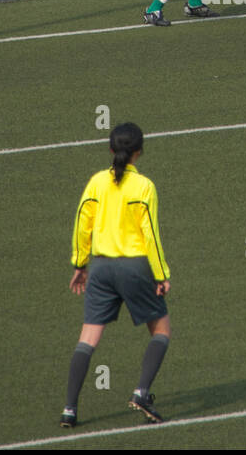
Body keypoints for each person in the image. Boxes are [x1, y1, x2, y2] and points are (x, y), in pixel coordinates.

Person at [62, 122, 172, 428]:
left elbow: (83, 222)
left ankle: (69, 409)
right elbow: (150, 234)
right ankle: (141, 392)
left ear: (111, 150)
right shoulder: (144, 187)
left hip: (100, 268)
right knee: (161, 330)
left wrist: (79, 264)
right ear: (140, 152)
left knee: (88, 337)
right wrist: (161, 274)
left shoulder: (96, 182)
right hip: (135, 267)